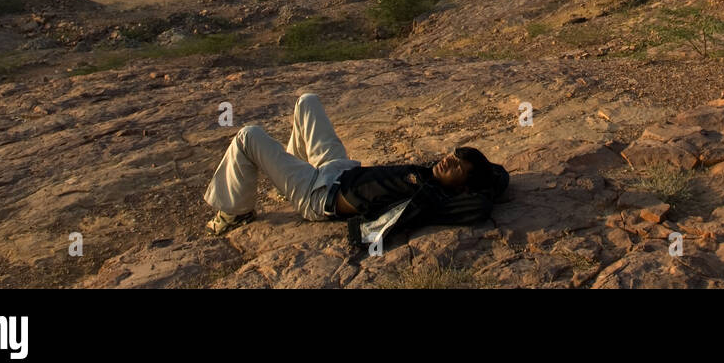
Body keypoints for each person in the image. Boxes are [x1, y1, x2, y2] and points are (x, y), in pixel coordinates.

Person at [204, 93, 509, 251]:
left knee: (248, 136)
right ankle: (288, 170)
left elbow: (479, 206)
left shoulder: (430, 197)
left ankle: (236, 212)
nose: (447, 161)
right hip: (339, 169)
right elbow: (498, 173)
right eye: (452, 155)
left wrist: (486, 189)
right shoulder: (432, 175)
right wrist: (493, 176)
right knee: (307, 101)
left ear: (464, 187)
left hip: (318, 194)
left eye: (457, 166)